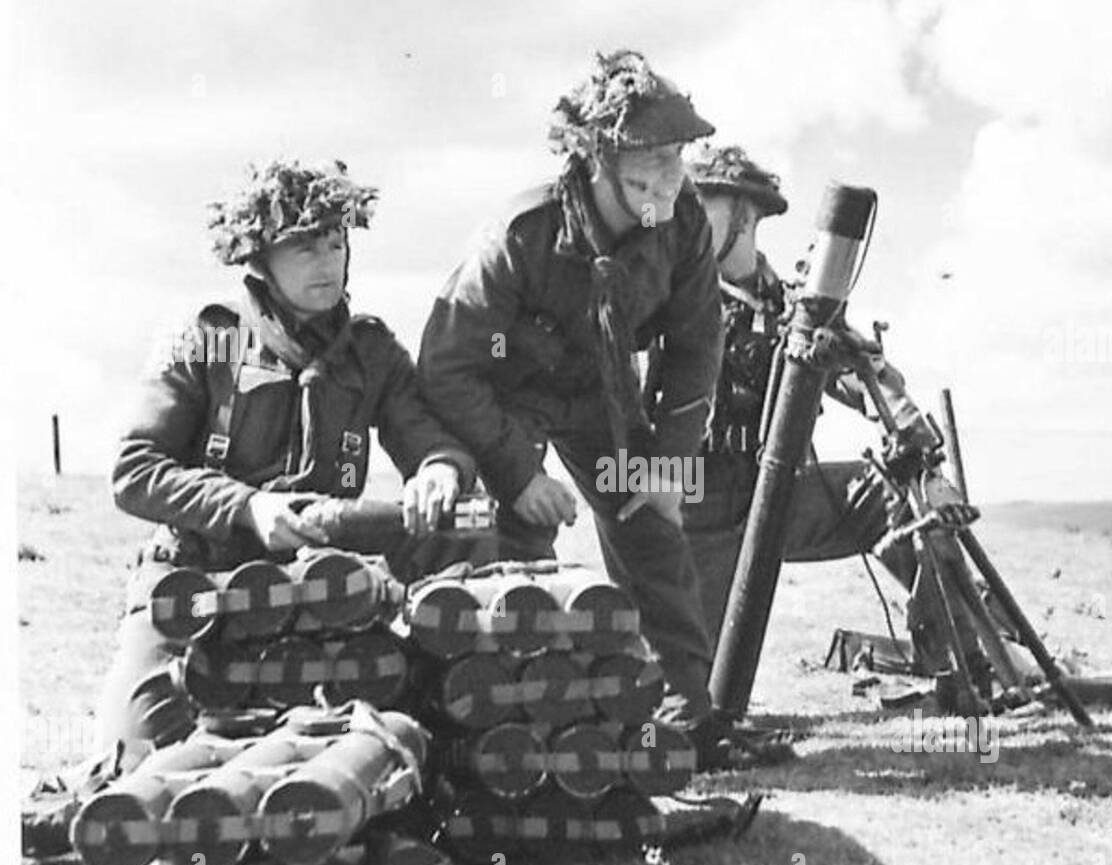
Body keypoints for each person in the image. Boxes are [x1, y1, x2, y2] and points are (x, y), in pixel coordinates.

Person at [418, 51, 788, 769]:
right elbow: (447, 366)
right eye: (646, 168)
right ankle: (496, 728)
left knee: (650, 529)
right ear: (595, 162)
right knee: (514, 546)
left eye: (676, 163)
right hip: (504, 398)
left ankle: (687, 723)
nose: (668, 184)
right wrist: (515, 471)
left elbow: (694, 348)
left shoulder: (681, 222)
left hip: (601, 397)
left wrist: (666, 461)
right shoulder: (517, 235)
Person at [98, 158, 476, 749]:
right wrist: (248, 507)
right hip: (198, 581)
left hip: (319, 587)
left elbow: (427, 436)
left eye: (335, 245)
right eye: (304, 249)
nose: (327, 264)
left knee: (406, 744)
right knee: (137, 761)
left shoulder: (371, 353)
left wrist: (439, 469)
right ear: (259, 258)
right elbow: (135, 471)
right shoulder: (207, 338)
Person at [648, 142, 986, 688]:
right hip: (695, 509)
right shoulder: (663, 298)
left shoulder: (793, 307)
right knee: (694, 692)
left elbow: (865, 371)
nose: (685, 220)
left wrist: (919, 450)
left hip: (779, 496)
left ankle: (959, 666)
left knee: (903, 501)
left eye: (703, 205)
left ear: (747, 213)